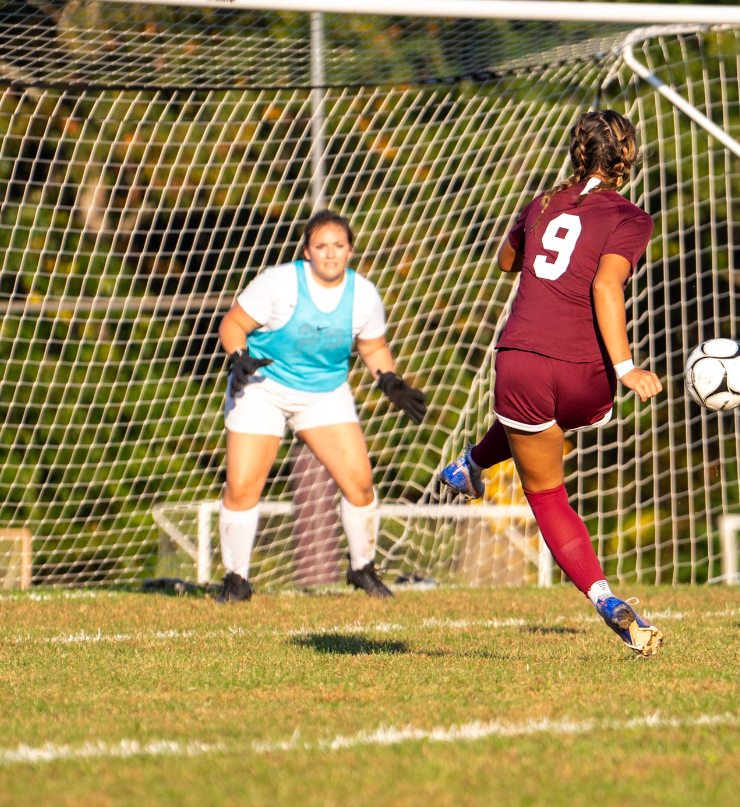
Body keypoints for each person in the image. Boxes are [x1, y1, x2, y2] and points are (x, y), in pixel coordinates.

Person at [440, 110, 666, 656]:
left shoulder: (540, 204)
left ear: (576, 153)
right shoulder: (630, 215)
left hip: (518, 358)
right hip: (585, 374)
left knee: (545, 489)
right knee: (552, 420)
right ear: (626, 157)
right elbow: (607, 287)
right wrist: (625, 367)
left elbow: (506, 262)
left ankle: (605, 599)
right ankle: (470, 465)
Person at [215, 210, 427, 602]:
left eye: (338, 246)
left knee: (360, 485)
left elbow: (372, 346)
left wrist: (389, 380)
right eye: (320, 246)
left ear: (350, 250)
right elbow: (232, 324)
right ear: (306, 252)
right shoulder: (278, 283)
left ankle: (362, 569)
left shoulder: (364, 294)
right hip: (263, 386)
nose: (330, 254)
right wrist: (238, 355)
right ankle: (235, 581)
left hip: (324, 393)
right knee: (242, 487)